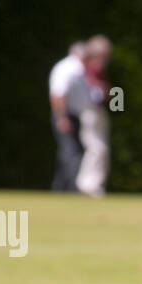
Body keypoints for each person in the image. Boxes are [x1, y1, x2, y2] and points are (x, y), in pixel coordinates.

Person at [75, 35, 113, 198]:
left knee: (98, 148)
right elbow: (96, 90)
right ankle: (88, 184)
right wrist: (106, 90)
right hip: (91, 111)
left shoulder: (92, 67)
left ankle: (90, 184)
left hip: (94, 111)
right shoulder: (90, 68)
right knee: (97, 148)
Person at [48, 41, 88, 191]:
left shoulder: (73, 68)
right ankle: (70, 188)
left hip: (71, 115)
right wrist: (61, 117)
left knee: (69, 152)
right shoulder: (70, 68)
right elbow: (58, 94)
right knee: (71, 152)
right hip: (66, 115)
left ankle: (61, 188)